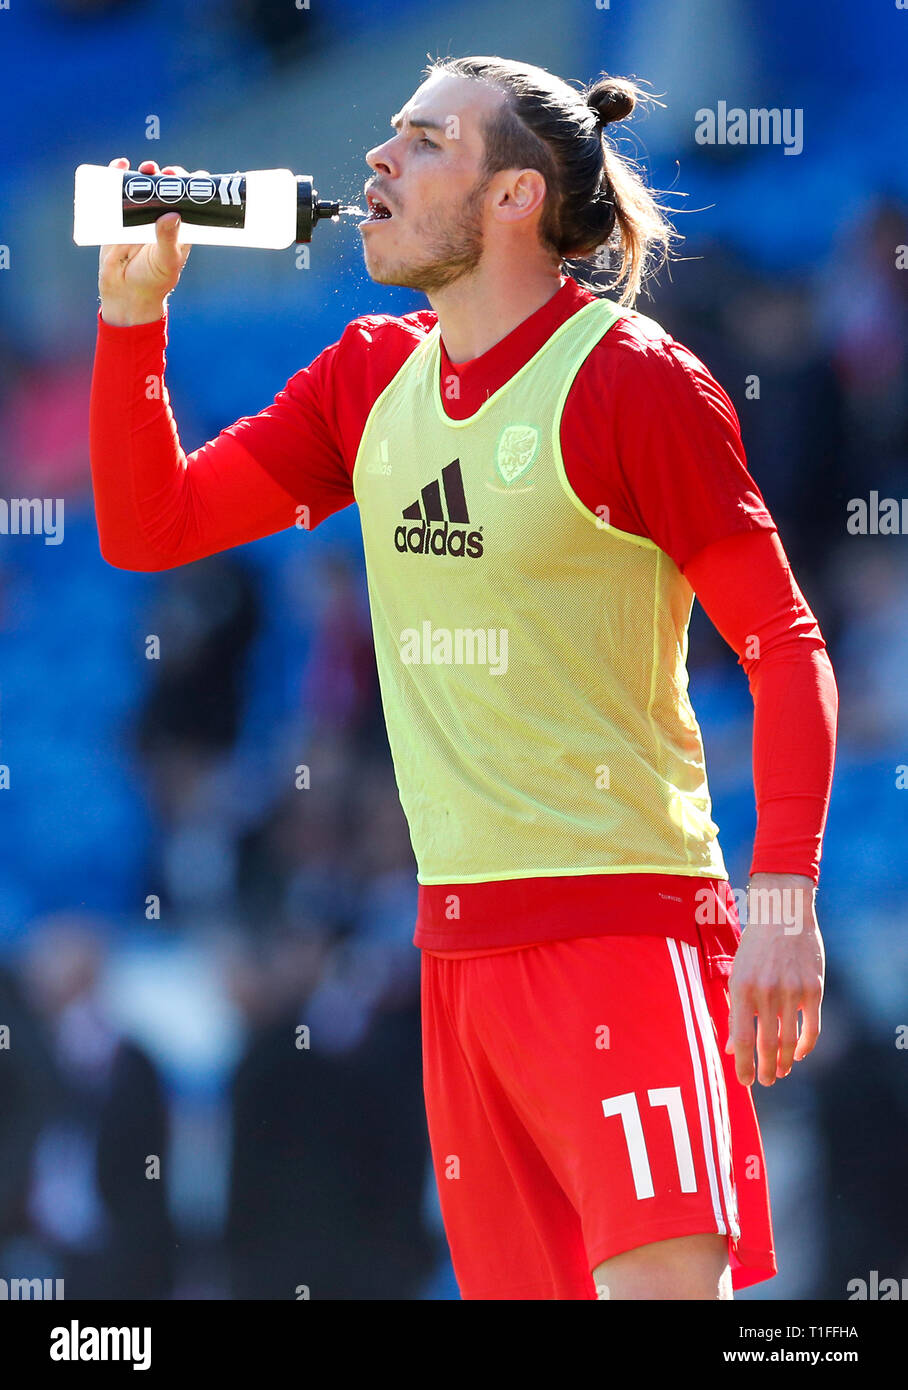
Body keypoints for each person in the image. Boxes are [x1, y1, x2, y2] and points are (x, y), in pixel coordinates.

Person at [88, 55, 837, 1300]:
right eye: (388, 135)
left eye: (424, 140)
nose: (379, 159)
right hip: (456, 955)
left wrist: (784, 897)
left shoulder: (633, 382)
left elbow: (783, 643)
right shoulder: (364, 377)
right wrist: (129, 324)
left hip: (624, 932)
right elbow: (148, 527)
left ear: (512, 200)